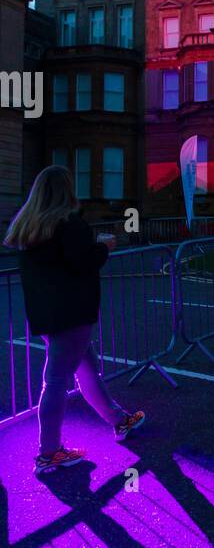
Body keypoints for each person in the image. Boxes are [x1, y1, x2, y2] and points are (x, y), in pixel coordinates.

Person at [3, 167, 145, 474]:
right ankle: (48, 453)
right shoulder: (70, 224)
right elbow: (83, 264)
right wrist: (103, 247)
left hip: (46, 313)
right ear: (67, 190)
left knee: (86, 367)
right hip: (73, 311)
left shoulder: (30, 227)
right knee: (56, 379)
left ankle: (119, 421)